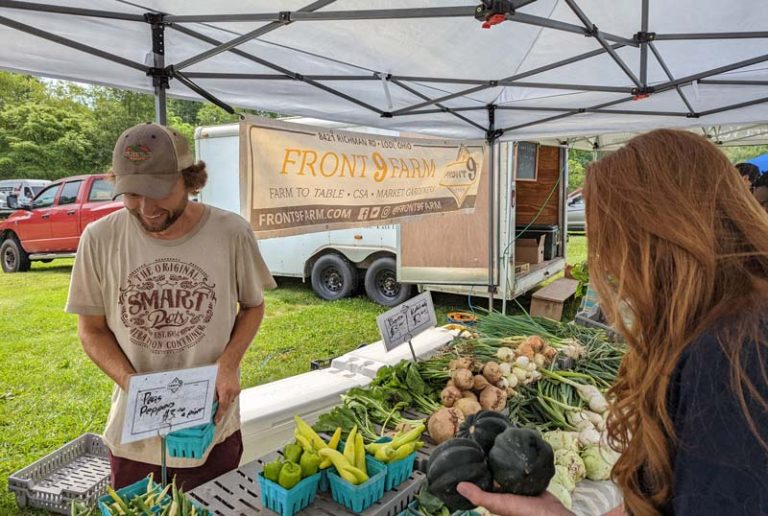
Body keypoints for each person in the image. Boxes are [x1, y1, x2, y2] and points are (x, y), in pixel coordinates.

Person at [458, 129, 768, 515]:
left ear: (662, 240)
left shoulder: (733, 352)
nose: (614, 275)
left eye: (613, 245)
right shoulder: (716, 326)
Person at [65, 122, 276, 490]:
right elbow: (92, 330)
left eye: (159, 192)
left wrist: (229, 364)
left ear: (190, 181)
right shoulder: (98, 239)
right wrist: (134, 387)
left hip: (211, 428)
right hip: (136, 440)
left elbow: (253, 307)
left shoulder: (231, 232)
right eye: (132, 193)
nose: (146, 208)